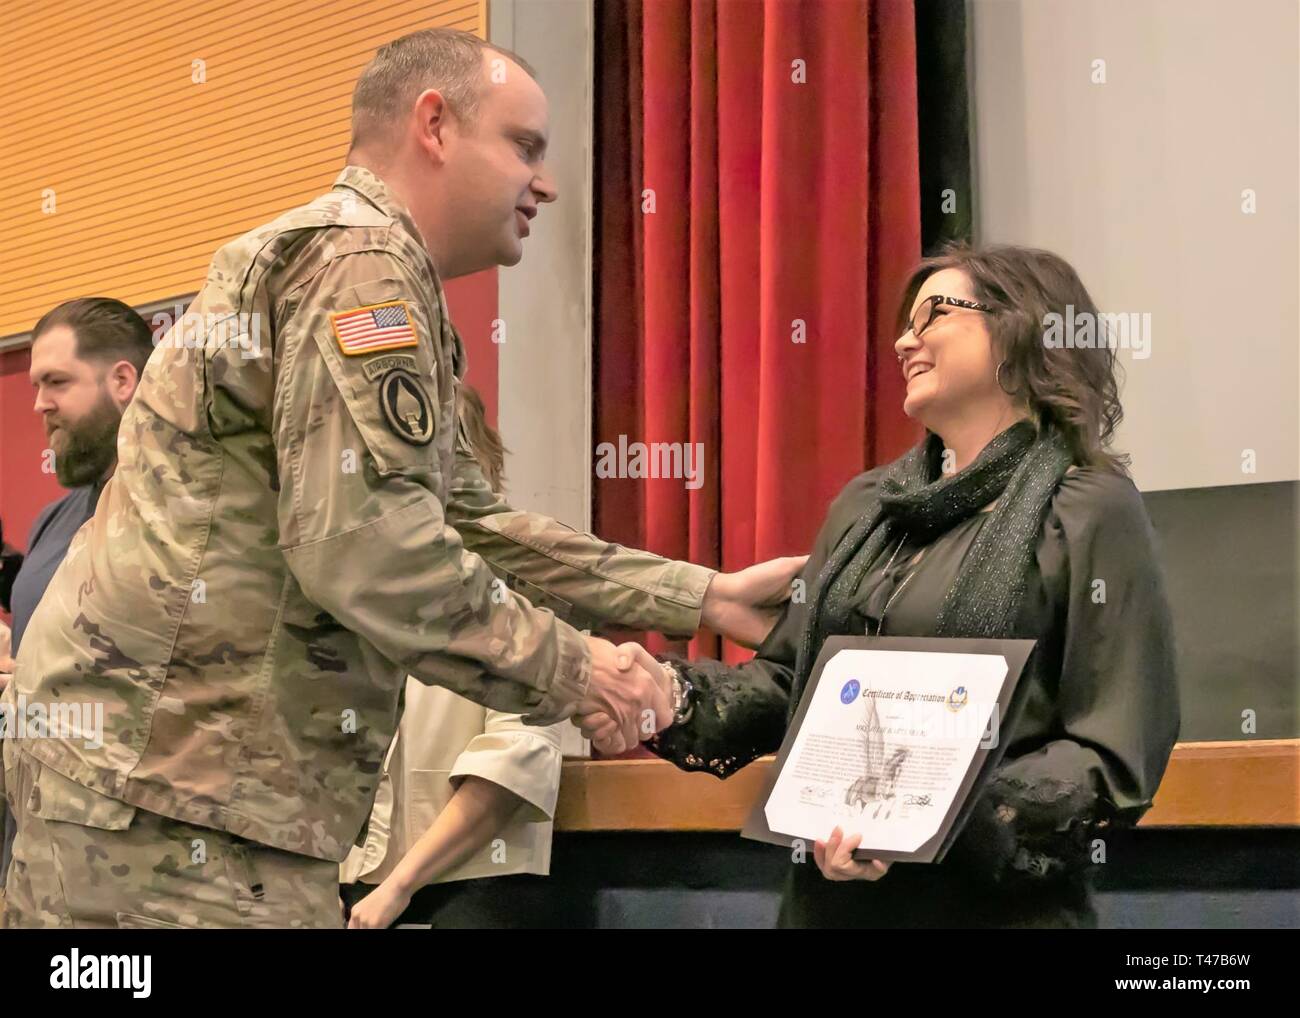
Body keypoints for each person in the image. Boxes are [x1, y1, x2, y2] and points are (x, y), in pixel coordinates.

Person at [0, 28, 803, 929]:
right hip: (174, 809)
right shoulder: (359, 264)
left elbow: (464, 521)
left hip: (162, 791)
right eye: (525, 147)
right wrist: (588, 676)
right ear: (435, 124)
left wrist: (700, 596)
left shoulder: (359, 265)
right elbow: (371, 550)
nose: (545, 183)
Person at [587, 244, 1181, 928]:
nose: (905, 339)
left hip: (992, 915)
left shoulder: (1089, 509)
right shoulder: (867, 506)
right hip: (826, 908)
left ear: (1021, 332)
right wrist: (664, 694)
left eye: (935, 315)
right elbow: (789, 685)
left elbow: (1113, 748)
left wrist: (927, 816)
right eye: (905, 322)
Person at [343, 384, 574, 929]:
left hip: (473, 880)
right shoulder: (346, 578)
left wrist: (397, 888)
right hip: (347, 878)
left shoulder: (519, 576)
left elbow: (516, 757)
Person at [0, 299, 153, 892]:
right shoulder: (52, 520)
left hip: (128, 866)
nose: (39, 403)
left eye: (57, 382)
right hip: (32, 855)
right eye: (36, 383)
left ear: (122, 380)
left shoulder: (183, 519)